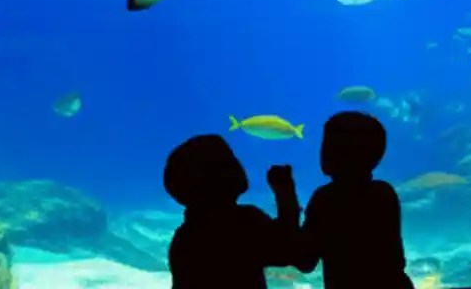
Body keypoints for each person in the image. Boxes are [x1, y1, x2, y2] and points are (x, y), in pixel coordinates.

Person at [269, 111, 414, 289]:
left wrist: (286, 198)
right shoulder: (385, 193)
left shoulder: (325, 199)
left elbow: (305, 261)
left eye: (328, 145)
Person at [164, 134, 297, 288]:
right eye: (230, 159)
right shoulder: (245, 222)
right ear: (220, 175)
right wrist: (285, 192)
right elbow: (293, 252)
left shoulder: (183, 238)